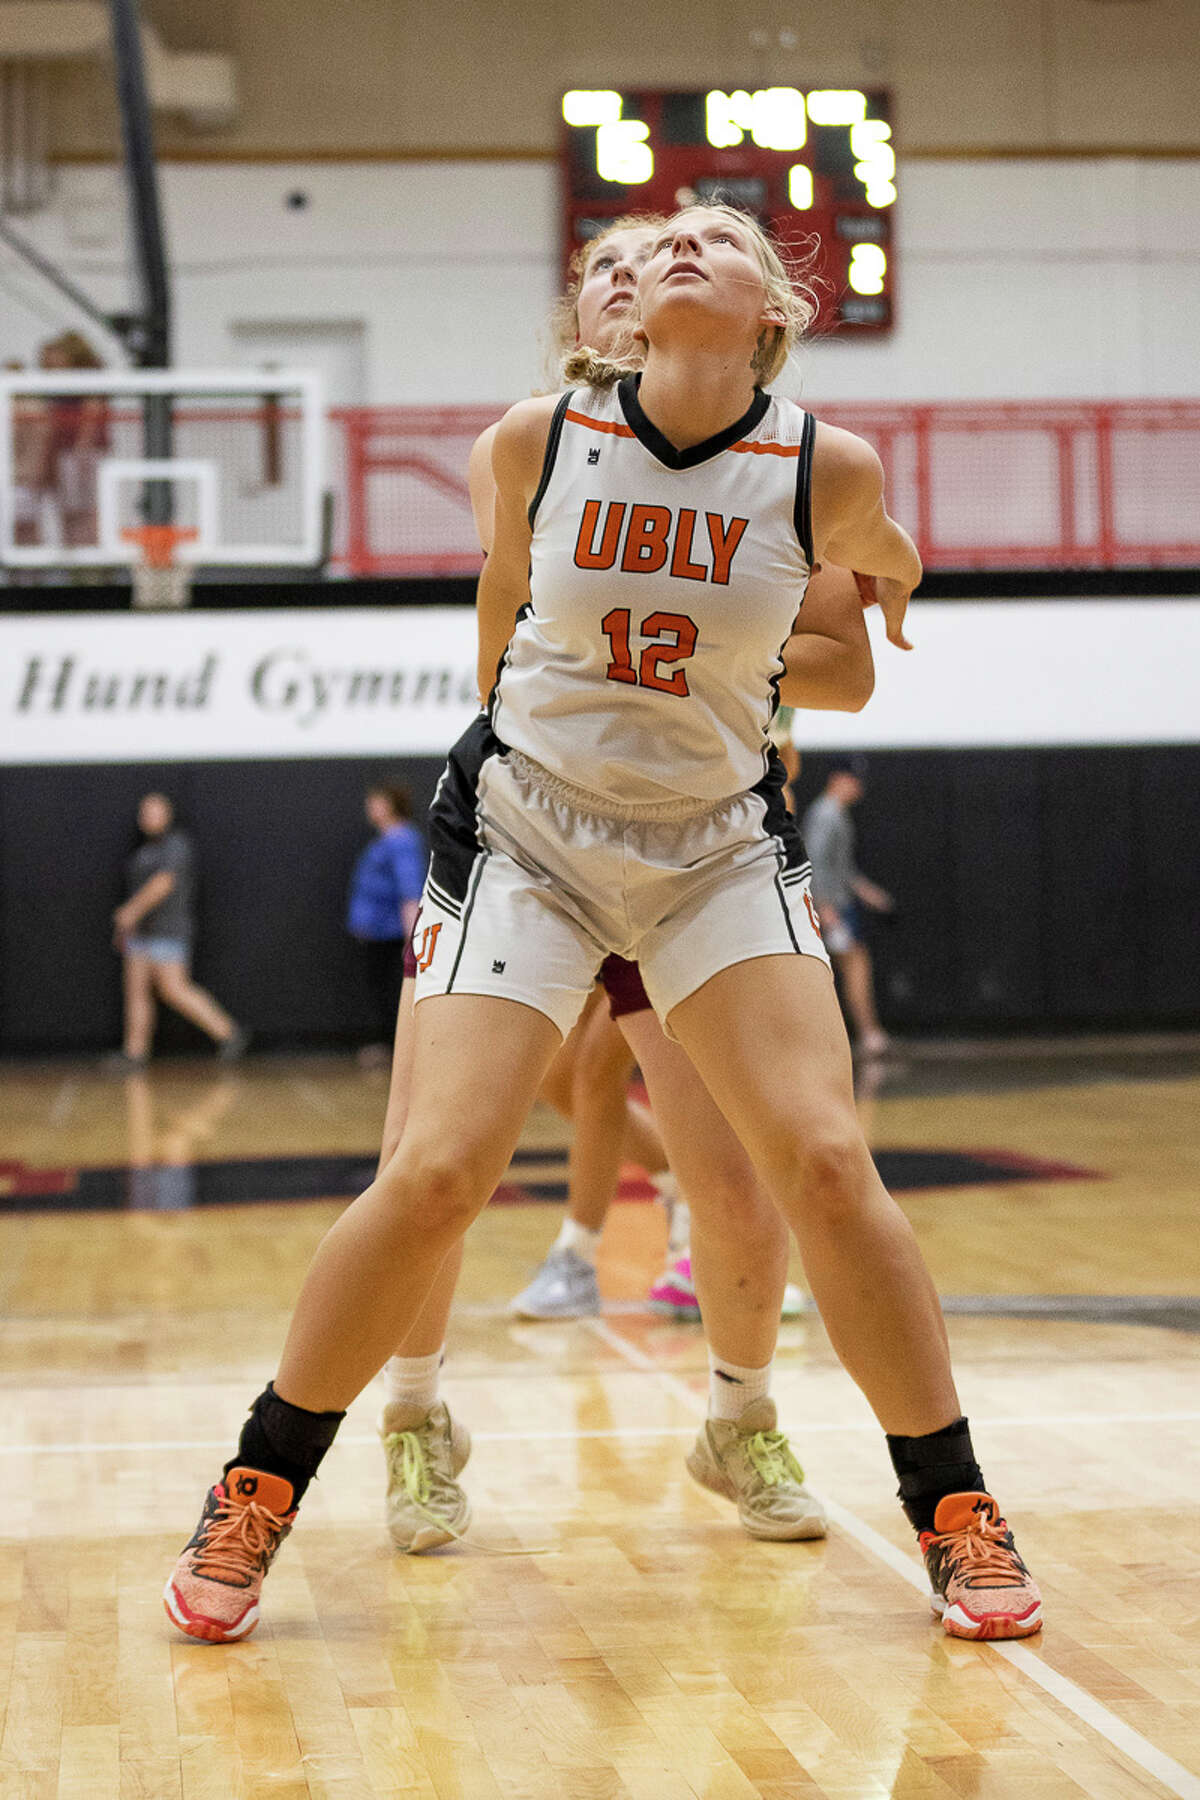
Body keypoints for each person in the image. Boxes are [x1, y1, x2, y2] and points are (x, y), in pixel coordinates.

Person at [165, 204, 1040, 1647]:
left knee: (819, 1158)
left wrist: (885, 589)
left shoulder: (827, 466)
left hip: (710, 846)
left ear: (775, 308)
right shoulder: (538, 441)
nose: (685, 248)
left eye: (723, 237)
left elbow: (887, 565)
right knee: (440, 1168)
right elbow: (503, 610)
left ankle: (953, 1507)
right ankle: (263, 1481)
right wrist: (526, 741)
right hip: (530, 831)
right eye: (663, 240)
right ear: (612, 317)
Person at [110, 793, 246, 1071]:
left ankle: (229, 1032)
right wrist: (127, 926)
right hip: (140, 935)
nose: (150, 817)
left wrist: (130, 911)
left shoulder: (176, 846)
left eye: (155, 811)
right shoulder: (143, 850)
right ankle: (134, 1053)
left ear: (167, 814)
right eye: (145, 812)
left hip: (168, 932)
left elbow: (162, 885)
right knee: (136, 992)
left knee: (174, 989)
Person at [803, 757, 894, 1058]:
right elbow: (814, 861)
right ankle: (868, 1035)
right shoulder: (826, 814)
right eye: (853, 780)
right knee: (854, 966)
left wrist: (867, 892)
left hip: (839, 904)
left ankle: (867, 1034)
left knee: (852, 966)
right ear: (837, 779)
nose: (858, 788)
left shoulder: (836, 815)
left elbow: (841, 868)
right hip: (834, 908)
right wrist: (825, 907)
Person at [347, 783, 428, 1067]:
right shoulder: (385, 839)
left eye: (377, 801)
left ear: (392, 804)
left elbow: (409, 889)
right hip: (377, 932)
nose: (370, 807)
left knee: (394, 988)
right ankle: (388, 1043)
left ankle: (398, 1046)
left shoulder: (402, 840)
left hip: (393, 932)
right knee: (381, 988)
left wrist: (411, 934)